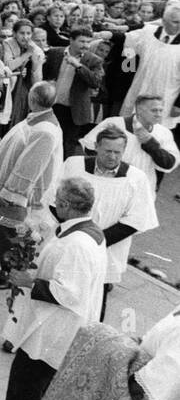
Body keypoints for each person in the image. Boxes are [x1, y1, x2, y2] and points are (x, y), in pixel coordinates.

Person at [0, 178, 108, 400]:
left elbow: (71, 292)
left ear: (65, 205)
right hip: (55, 321)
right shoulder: (87, 230)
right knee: (34, 378)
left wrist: (30, 281)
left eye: (58, 202)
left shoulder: (78, 244)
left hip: (55, 325)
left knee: (27, 377)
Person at [45, 126, 158, 319]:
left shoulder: (136, 179)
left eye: (117, 152)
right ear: (96, 147)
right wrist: (76, 234)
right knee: (52, 287)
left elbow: (136, 219)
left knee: (93, 302)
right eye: (107, 151)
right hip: (68, 242)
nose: (112, 157)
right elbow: (53, 199)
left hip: (106, 251)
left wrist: (93, 240)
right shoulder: (74, 165)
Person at [0, 82, 63, 287]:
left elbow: (29, 168)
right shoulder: (38, 119)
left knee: (11, 232)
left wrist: (11, 193)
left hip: (16, 193)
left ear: (32, 99)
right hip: (6, 185)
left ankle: (10, 272)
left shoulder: (45, 130)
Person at [80, 94, 178, 190]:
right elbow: (89, 148)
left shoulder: (164, 133)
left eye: (161, 110)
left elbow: (169, 163)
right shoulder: (113, 124)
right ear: (139, 110)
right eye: (154, 110)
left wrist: (150, 143)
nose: (158, 114)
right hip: (107, 185)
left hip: (140, 189)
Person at [44, 27, 106, 159]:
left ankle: (62, 174)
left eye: (88, 42)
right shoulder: (55, 53)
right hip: (52, 106)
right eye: (82, 41)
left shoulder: (94, 60)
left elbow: (95, 82)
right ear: (71, 40)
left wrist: (78, 66)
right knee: (47, 141)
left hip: (74, 110)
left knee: (68, 146)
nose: (86, 45)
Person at [120, 0, 180, 125]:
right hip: (140, 89)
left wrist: (179, 105)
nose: (179, 26)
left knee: (157, 133)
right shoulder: (148, 32)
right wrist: (128, 72)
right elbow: (129, 42)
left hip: (167, 97)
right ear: (163, 21)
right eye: (175, 22)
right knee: (130, 126)